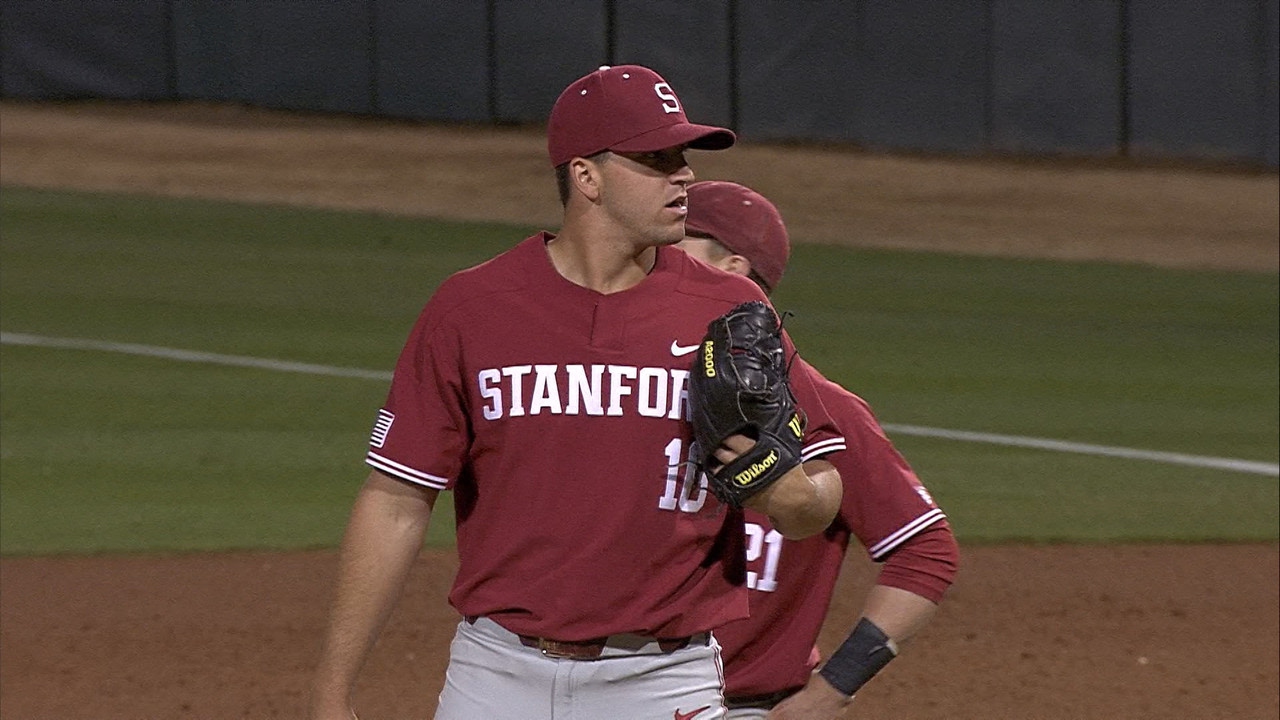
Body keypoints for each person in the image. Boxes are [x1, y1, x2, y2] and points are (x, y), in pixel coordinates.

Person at [309, 66, 849, 720]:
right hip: (494, 676)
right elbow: (396, 500)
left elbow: (818, 493)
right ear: (585, 176)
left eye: (682, 156)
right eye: (655, 157)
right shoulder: (472, 308)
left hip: (664, 681)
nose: (683, 174)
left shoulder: (730, 309)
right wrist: (332, 689)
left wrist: (790, 491)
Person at [676, 180, 960, 720]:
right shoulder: (626, 390)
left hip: (742, 707)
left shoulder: (824, 410)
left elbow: (925, 551)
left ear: (732, 268)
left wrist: (831, 691)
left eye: (679, 242)